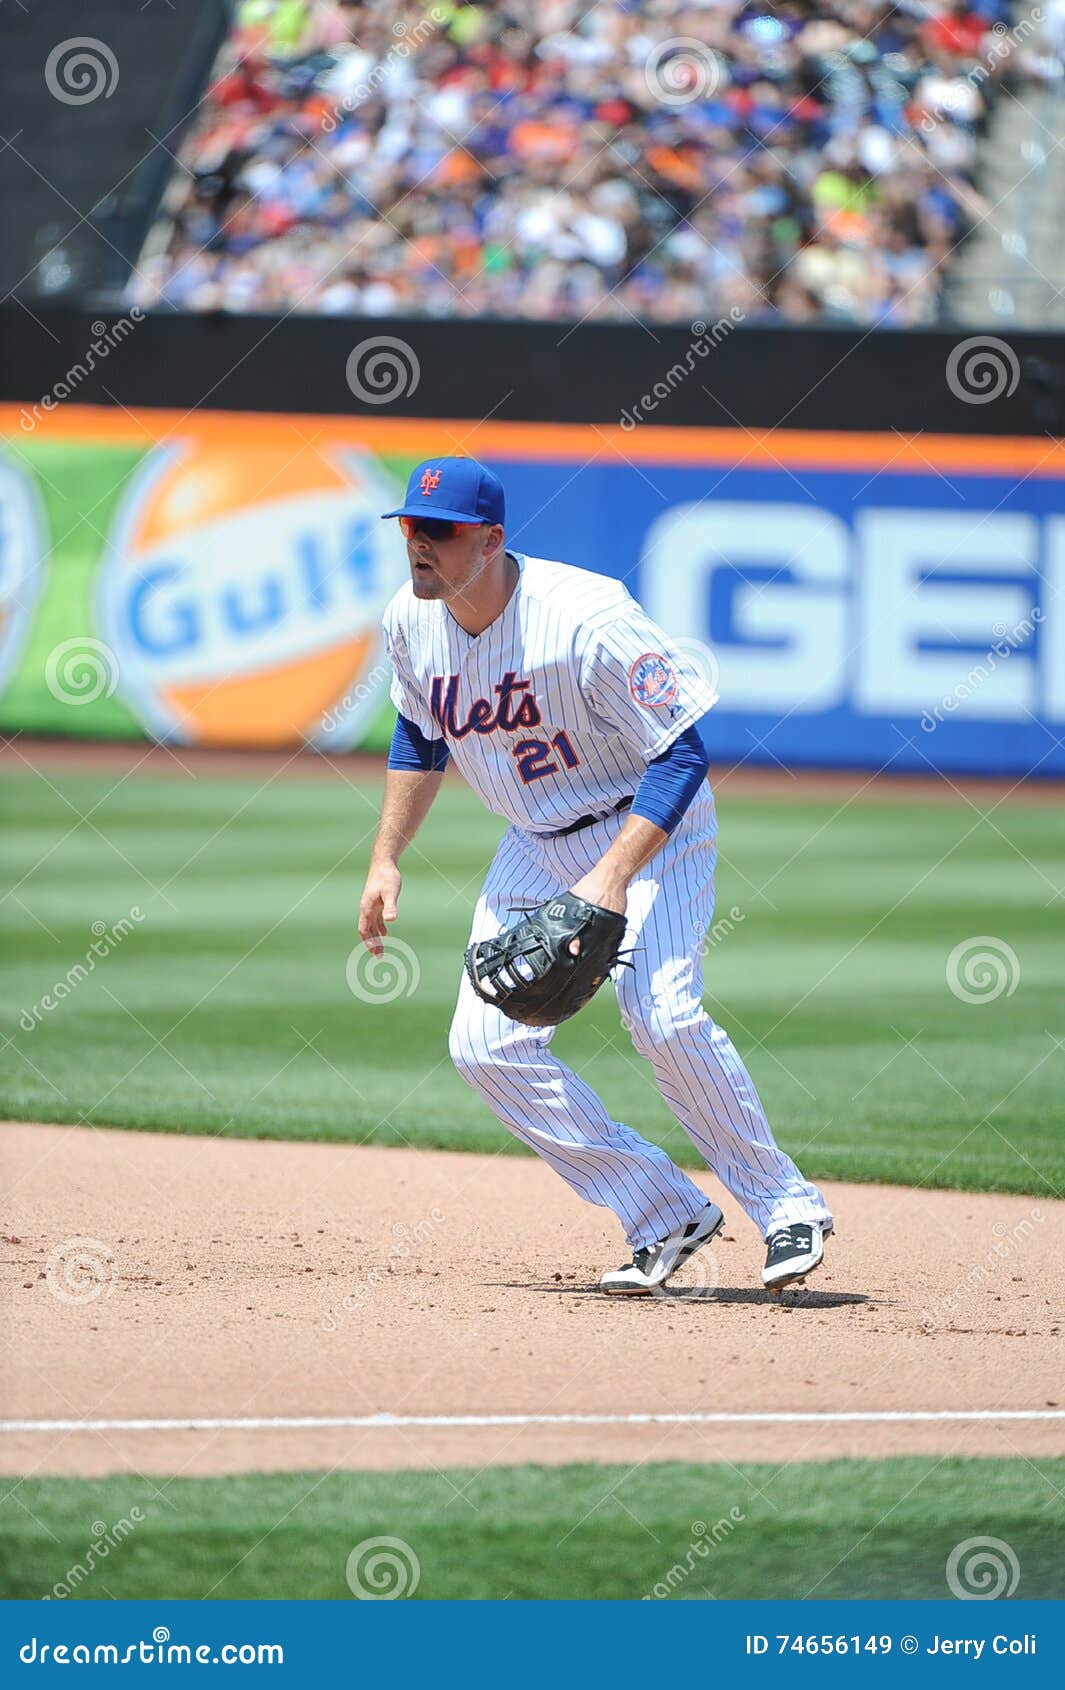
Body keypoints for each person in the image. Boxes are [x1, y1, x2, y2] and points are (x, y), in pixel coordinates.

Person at [358, 456, 833, 1294]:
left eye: (439, 532)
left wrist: (611, 878)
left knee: (660, 1013)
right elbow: (419, 735)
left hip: (646, 828)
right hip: (533, 843)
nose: (418, 545)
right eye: (408, 528)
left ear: (491, 540)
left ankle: (786, 1203)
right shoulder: (410, 619)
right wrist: (385, 858)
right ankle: (662, 1212)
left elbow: (680, 753)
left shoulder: (586, 616)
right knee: (484, 1046)